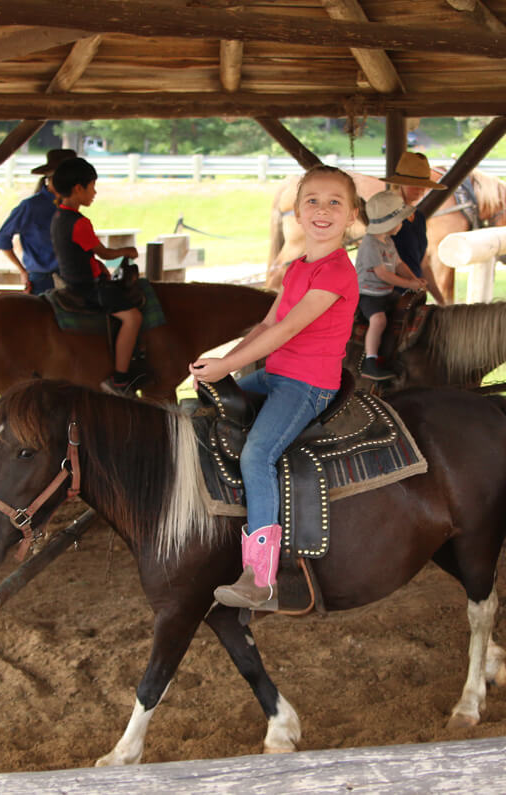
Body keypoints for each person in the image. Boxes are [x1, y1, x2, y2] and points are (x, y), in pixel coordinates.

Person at [191, 165, 360, 612]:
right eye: (312, 201)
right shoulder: (298, 267)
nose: (322, 210)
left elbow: (287, 330)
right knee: (208, 410)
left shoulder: (337, 272)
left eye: (335, 202)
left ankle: (261, 578)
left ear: (351, 216)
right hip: (275, 374)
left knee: (258, 454)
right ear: (297, 213)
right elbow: (268, 323)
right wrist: (222, 363)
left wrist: (227, 365)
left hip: (307, 385)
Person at [49, 156, 144, 395]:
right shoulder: (80, 223)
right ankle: (120, 378)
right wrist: (127, 251)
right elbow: (104, 252)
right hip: (87, 287)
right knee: (133, 318)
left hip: (71, 280)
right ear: (78, 189)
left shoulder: (59, 217)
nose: (94, 192)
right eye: (92, 186)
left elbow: (80, 253)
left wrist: (97, 265)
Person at [356, 190, 427, 380]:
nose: (402, 224)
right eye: (400, 220)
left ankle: (396, 353)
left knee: (407, 312)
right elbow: (383, 274)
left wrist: (415, 279)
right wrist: (408, 283)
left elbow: (399, 264)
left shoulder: (387, 241)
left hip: (385, 292)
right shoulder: (370, 244)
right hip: (368, 294)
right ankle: (370, 361)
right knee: (378, 320)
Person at [0, 148, 77, 295]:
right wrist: (22, 271)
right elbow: (2, 239)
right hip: (42, 279)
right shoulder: (30, 206)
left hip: (71, 275)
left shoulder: (70, 205)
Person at [382, 151, 448, 306]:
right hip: (389, 297)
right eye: (414, 184)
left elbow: (423, 265)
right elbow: (383, 261)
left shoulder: (418, 217)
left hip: (414, 296)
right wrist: (411, 282)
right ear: (401, 183)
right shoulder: (386, 215)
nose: (420, 189)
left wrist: (441, 301)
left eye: (423, 185)